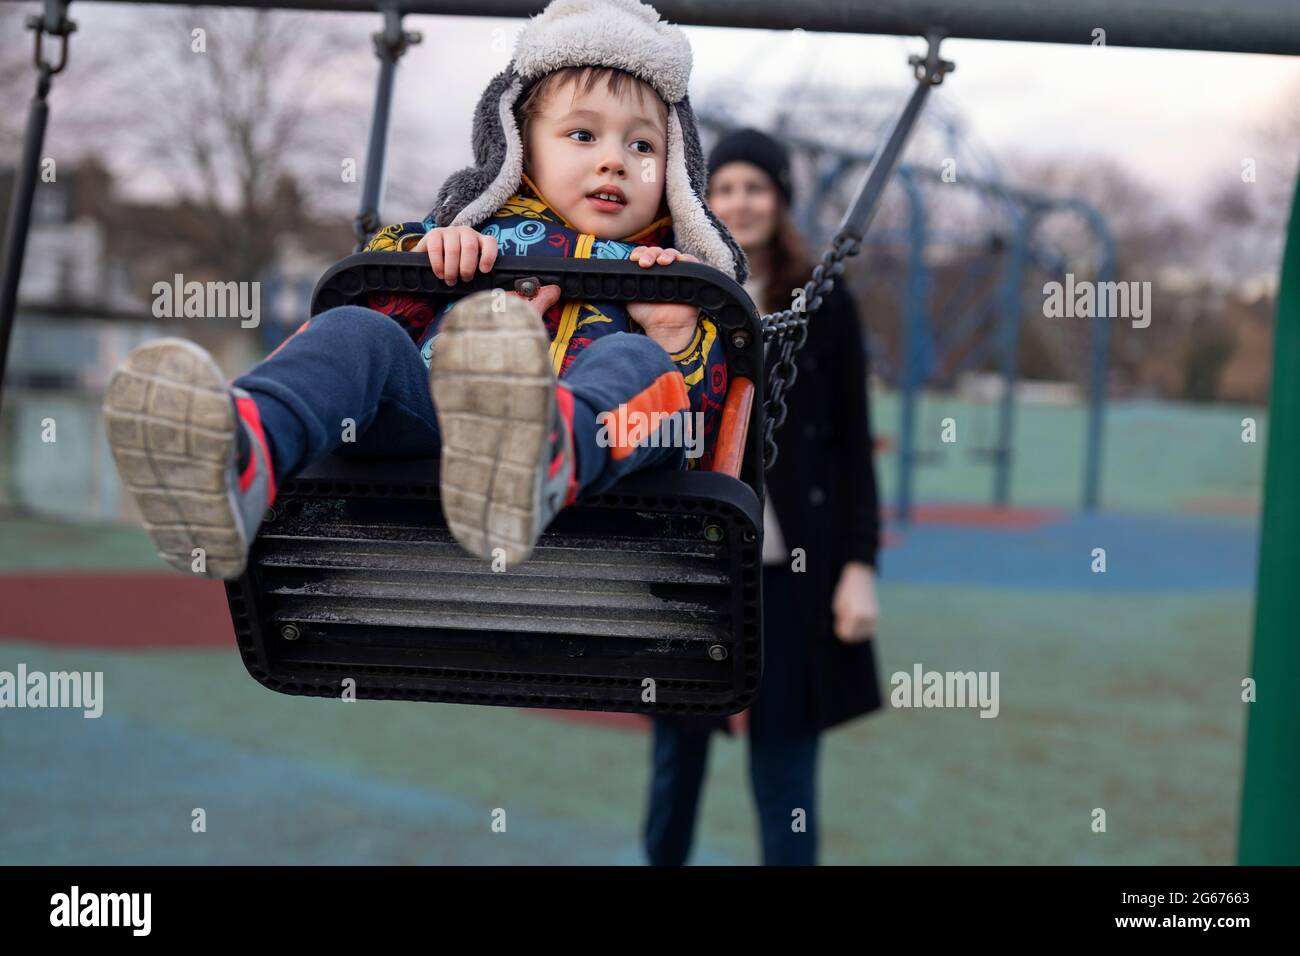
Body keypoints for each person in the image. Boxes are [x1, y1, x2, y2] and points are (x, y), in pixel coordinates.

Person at [99, 0, 747, 578]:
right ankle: (238, 457)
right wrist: (424, 262)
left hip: (595, 482)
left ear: (675, 173)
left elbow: (697, 436)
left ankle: (544, 455)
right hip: (436, 444)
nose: (614, 160)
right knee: (361, 333)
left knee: (634, 363)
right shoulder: (467, 239)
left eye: (642, 146)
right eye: (582, 134)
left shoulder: (669, 279)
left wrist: (675, 336)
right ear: (522, 148)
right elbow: (358, 304)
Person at [643, 127, 884, 866]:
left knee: (784, 758)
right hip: (693, 561)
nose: (739, 203)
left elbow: (850, 445)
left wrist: (858, 566)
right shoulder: (680, 290)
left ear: (780, 200)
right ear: (703, 201)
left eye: (755, 188)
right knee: (676, 760)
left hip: (791, 564)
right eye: (723, 189)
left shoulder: (823, 302)